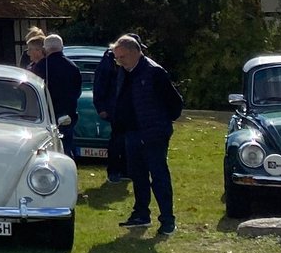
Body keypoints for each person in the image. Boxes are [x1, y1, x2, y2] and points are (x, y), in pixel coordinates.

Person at [107, 34, 184, 235]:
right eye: (117, 58)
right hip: (132, 132)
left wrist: (159, 125)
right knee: (137, 175)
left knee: (159, 176)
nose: (119, 61)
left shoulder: (154, 72)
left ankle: (167, 220)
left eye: (122, 57)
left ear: (135, 52)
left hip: (153, 133)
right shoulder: (124, 72)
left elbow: (175, 103)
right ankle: (141, 214)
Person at [41, 33, 83, 157]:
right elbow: (77, 91)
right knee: (66, 146)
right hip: (67, 114)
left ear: (45, 48)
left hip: (47, 114)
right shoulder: (72, 67)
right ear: (62, 47)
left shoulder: (41, 66)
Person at [91, 42, 128, 182]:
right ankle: (115, 171)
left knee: (123, 140)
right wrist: (101, 107)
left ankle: (123, 170)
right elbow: (100, 85)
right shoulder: (109, 63)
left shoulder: (116, 62)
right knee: (117, 140)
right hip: (115, 107)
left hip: (121, 106)